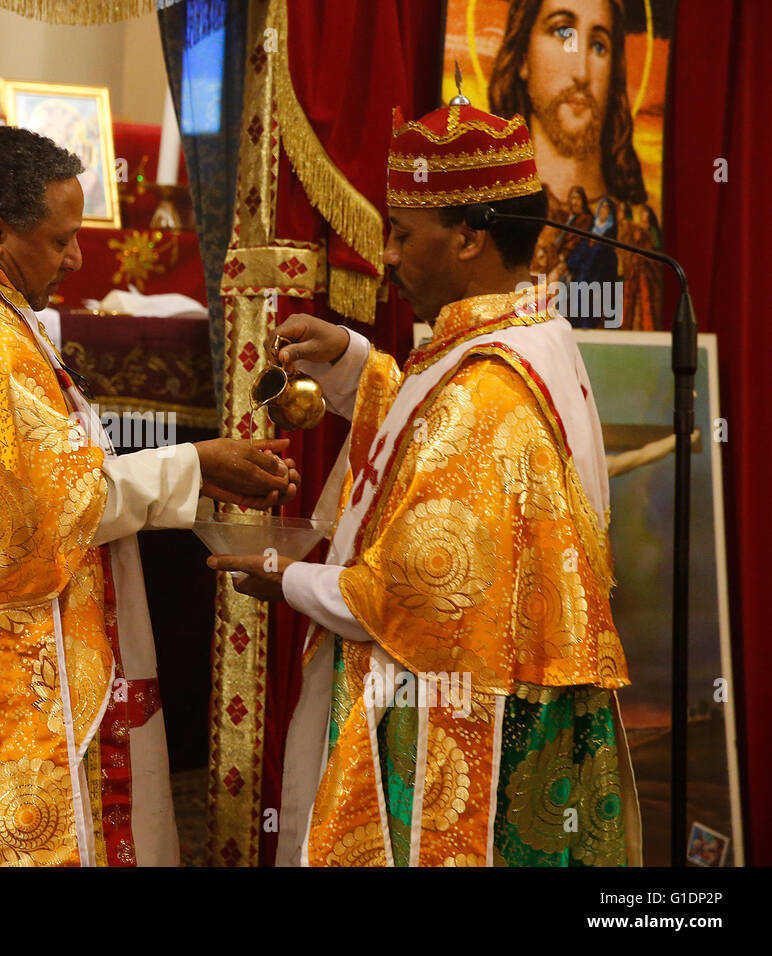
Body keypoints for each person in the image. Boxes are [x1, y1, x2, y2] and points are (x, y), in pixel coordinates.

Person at [0, 125, 298, 867]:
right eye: (62, 239)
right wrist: (196, 463)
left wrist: (191, 469)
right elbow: (53, 505)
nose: (75, 258)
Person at [210, 100, 641, 867]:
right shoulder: (523, 337)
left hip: (455, 718)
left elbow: (410, 596)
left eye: (405, 235)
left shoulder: (486, 393)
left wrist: (289, 580)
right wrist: (351, 360)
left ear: (471, 236)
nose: (390, 257)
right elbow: (423, 437)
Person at [487, 0, 663, 329]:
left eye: (599, 46)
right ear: (523, 57)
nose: (582, 72)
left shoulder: (636, 236)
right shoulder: (490, 220)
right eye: (563, 32)